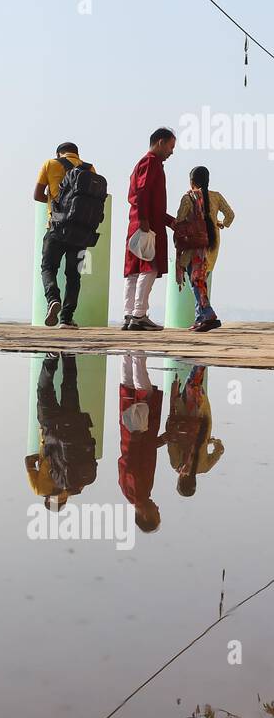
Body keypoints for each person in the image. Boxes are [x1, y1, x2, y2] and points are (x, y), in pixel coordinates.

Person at [33, 141, 95, 328]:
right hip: (81, 231)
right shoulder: (89, 168)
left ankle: (53, 300)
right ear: (77, 154)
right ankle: (67, 318)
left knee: (48, 267)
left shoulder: (50, 164)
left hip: (57, 227)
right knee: (74, 275)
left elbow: (37, 195)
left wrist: (53, 201)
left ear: (59, 153)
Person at [25, 354, 98, 509]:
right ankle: (51, 358)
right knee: (44, 389)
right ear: (48, 501)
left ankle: (69, 356)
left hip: (73, 426)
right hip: (50, 429)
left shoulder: (77, 486)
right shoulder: (40, 490)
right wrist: (42, 458)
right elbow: (28, 462)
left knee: (70, 385)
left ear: (64, 501)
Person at [123, 127, 177, 331]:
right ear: (161, 142)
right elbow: (142, 192)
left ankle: (129, 314)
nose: (171, 152)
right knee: (149, 268)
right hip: (146, 226)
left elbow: (150, 200)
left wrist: (170, 222)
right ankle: (139, 314)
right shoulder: (151, 162)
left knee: (134, 271)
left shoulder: (145, 163)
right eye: (171, 146)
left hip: (138, 224)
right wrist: (145, 219)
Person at [174, 166, 235, 333]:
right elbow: (230, 214)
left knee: (196, 281)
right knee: (201, 281)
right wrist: (222, 224)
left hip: (195, 245)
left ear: (191, 181)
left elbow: (179, 220)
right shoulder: (216, 196)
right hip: (212, 245)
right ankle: (200, 318)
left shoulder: (189, 198)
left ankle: (208, 314)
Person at [118, 352, 167, 533]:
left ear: (146, 516)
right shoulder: (130, 494)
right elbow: (142, 458)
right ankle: (128, 352)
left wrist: (137, 438)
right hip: (130, 433)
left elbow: (131, 463)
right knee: (128, 391)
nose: (157, 508)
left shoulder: (138, 494)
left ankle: (138, 354)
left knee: (143, 394)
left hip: (137, 432)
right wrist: (162, 440)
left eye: (156, 513)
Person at [165, 364, 224, 496]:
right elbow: (171, 438)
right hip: (184, 416)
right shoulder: (176, 464)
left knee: (195, 385)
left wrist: (212, 441)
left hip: (202, 421)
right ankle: (200, 361)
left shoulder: (204, 467)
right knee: (192, 383)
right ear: (179, 480)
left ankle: (201, 362)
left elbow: (220, 450)